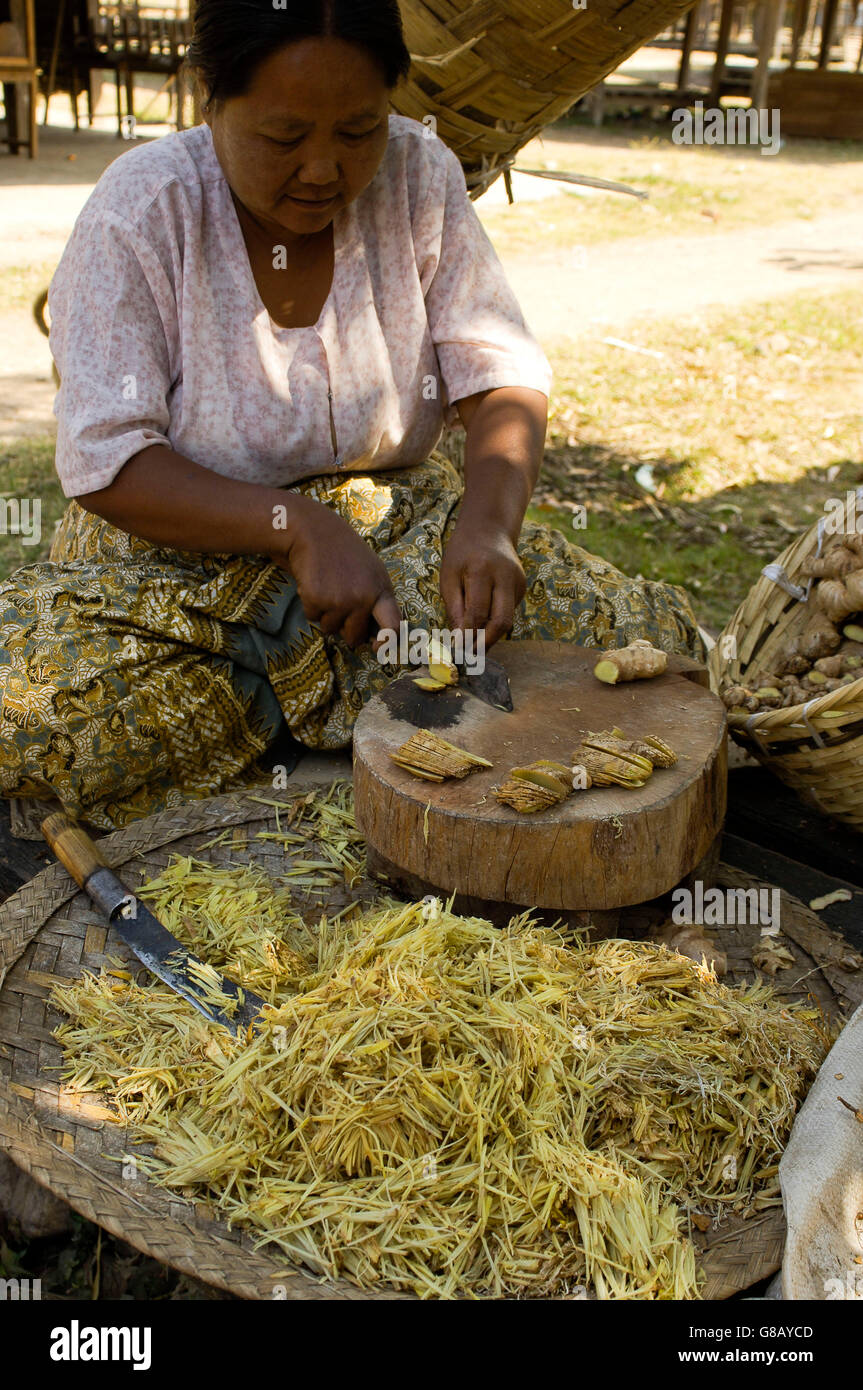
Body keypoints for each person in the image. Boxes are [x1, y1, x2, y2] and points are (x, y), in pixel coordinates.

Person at [0, 0, 703, 832]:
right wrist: (294, 528)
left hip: (393, 539)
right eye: (284, 137)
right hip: (172, 560)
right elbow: (107, 459)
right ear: (206, 97)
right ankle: (326, 690)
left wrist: (487, 527)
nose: (324, 170)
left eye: (359, 129)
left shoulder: (420, 175)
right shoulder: (142, 211)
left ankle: (293, 704)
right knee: (35, 716)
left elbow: (497, 373)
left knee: (648, 640)